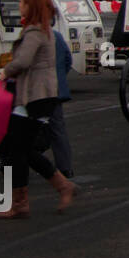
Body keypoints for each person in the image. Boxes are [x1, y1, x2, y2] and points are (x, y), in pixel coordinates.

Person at [0, 0, 77, 218]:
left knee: (15, 150)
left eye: (22, 1)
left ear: (31, 6)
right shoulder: (45, 30)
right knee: (22, 149)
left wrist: (5, 71)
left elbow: (23, 60)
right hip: (39, 96)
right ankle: (61, 186)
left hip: (34, 97)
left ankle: (21, 203)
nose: (19, 4)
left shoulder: (34, 31)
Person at [48, 28, 75, 177]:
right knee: (58, 130)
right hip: (56, 91)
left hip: (40, 91)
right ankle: (65, 167)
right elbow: (67, 60)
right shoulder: (57, 35)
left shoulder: (34, 35)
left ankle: (9, 162)